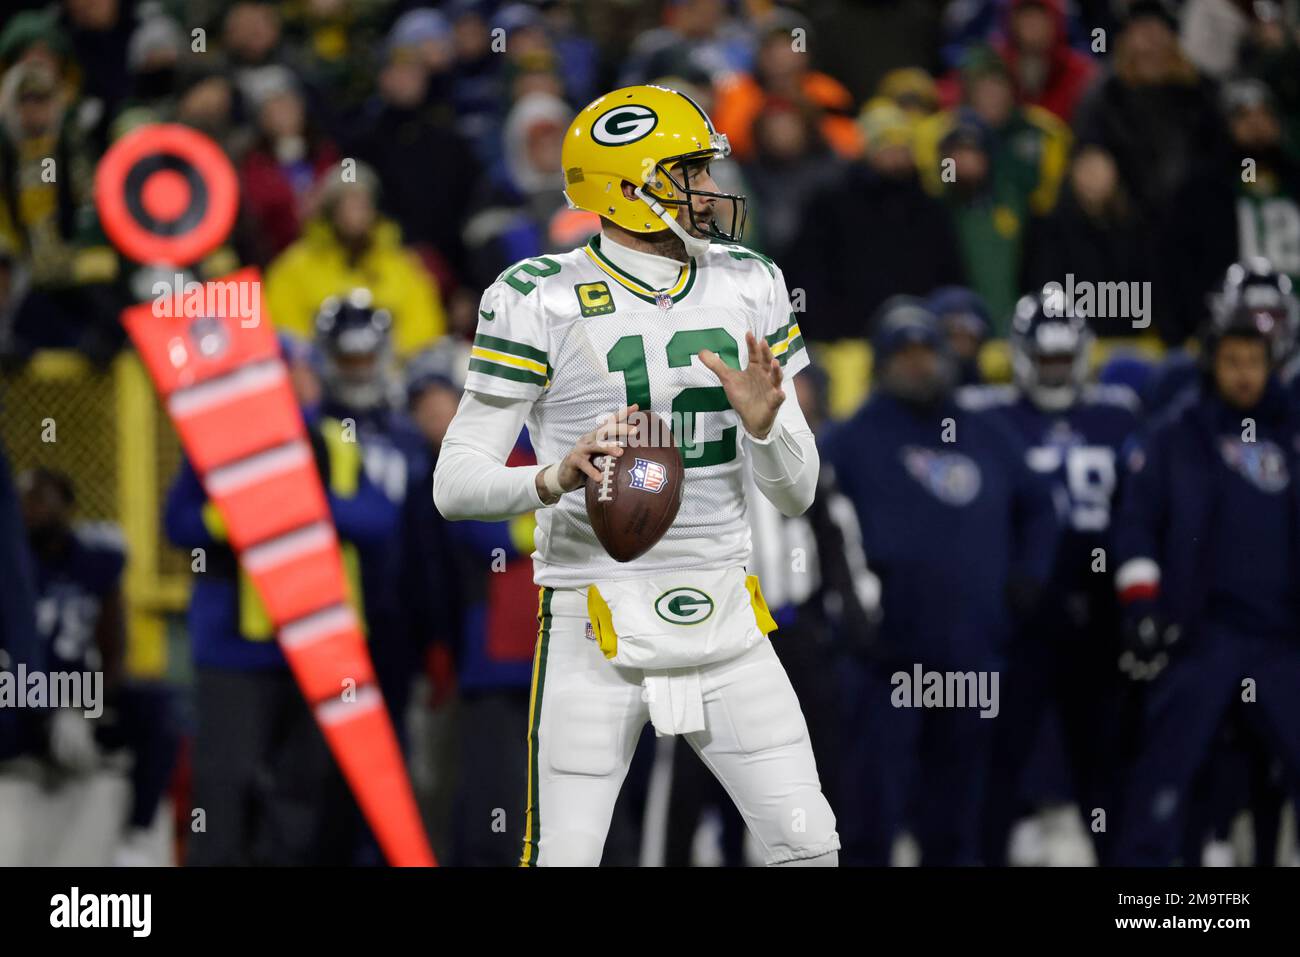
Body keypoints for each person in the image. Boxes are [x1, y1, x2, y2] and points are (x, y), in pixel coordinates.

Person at [433, 84, 838, 867]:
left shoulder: (750, 281)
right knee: (565, 857)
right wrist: (552, 478)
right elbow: (454, 484)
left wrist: (764, 429)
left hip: (726, 603)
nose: (711, 188)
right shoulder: (537, 297)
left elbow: (797, 492)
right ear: (628, 187)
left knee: (810, 845)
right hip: (592, 611)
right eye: (690, 172)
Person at [824, 297, 1058, 865]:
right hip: (885, 661)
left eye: (926, 349)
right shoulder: (850, 439)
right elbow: (811, 521)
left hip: (971, 655)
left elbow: (1040, 506)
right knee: (869, 817)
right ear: (880, 362)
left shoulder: (985, 430)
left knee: (956, 820)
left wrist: (1029, 577)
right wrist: (843, 608)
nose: (917, 362)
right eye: (902, 352)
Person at [1111, 257, 1300, 864]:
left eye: (1254, 362)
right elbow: (1136, 525)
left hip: (1282, 640)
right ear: (1212, 364)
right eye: (1232, 361)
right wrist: (1142, 606)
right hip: (1200, 636)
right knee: (1163, 780)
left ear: (1271, 364)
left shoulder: (1293, 434)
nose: (1243, 374)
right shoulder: (1176, 435)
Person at [963, 291, 1140, 865]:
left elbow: (1141, 509)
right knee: (1003, 749)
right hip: (1024, 603)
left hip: (1099, 603)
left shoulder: (1119, 413)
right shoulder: (987, 416)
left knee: (1104, 753)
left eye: (1064, 360)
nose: (1056, 371)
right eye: (1046, 360)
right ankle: (998, 843)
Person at [265, 160, 448, 357]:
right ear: (330, 212)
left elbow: (424, 325)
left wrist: (390, 357)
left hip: (391, 368)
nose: (354, 214)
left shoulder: (402, 266)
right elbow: (284, 326)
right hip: (319, 369)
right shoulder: (293, 268)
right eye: (346, 204)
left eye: (362, 204)